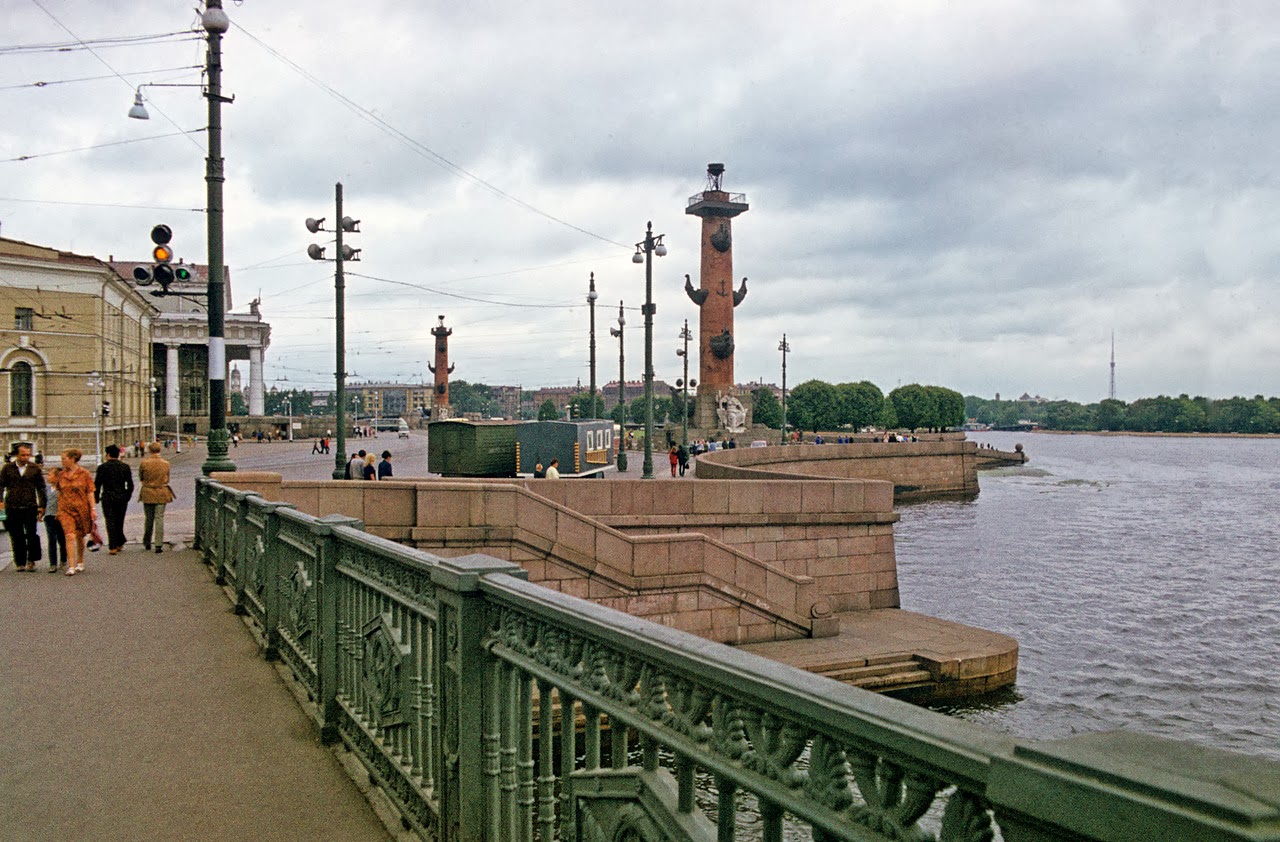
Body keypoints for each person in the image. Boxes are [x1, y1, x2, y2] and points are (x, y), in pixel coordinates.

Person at [0, 443, 47, 572]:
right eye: (23, 455)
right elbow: (1, 485)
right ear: (17, 455)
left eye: (28, 455)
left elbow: (41, 488)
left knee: (31, 534)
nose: (26, 457)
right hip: (12, 506)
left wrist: (42, 505)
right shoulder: (7, 468)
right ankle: (20, 562)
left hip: (30, 505)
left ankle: (32, 560)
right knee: (16, 535)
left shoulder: (34, 468)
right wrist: (0, 502)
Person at [53, 448, 96, 576]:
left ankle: (80, 561)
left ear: (72, 459)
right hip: (65, 509)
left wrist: (93, 509)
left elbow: (90, 492)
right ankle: (71, 566)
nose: (62, 461)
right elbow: (57, 491)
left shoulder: (84, 474)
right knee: (69, 535)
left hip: (81, 508)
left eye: (64, 459)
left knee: (79, 536)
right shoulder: (60, 475)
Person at [94, 443, 134, 555]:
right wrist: (127, 496)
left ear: (107, 455)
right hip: (121, 497)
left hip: (107, 497)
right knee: (119, 520)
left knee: (110, 521)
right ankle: (119, 542)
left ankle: (113, 546)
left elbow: (97, 485)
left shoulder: (102, 468)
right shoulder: (125, 467)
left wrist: (95, 499)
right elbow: (130, 485)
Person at [138, 442, 175, 554]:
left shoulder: (144, 463)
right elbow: (167, 478)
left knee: (148, 518)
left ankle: (147, 542)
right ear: (159, 450)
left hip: (148, 492)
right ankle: (158, 544)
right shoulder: (166, 463)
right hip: (162, 492)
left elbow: (141, 477)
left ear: (149, 450)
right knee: (159, 518)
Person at [43, 464, 66, 573]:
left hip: (60, 517)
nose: (47, 477)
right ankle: (53, 563)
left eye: (50, 474)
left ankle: (64, 559)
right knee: (51, 539)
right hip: (49, 516)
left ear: (57, 477)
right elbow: (44, 502)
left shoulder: (63, 489)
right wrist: (41, 512)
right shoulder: (47, 489)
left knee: (62, 539)